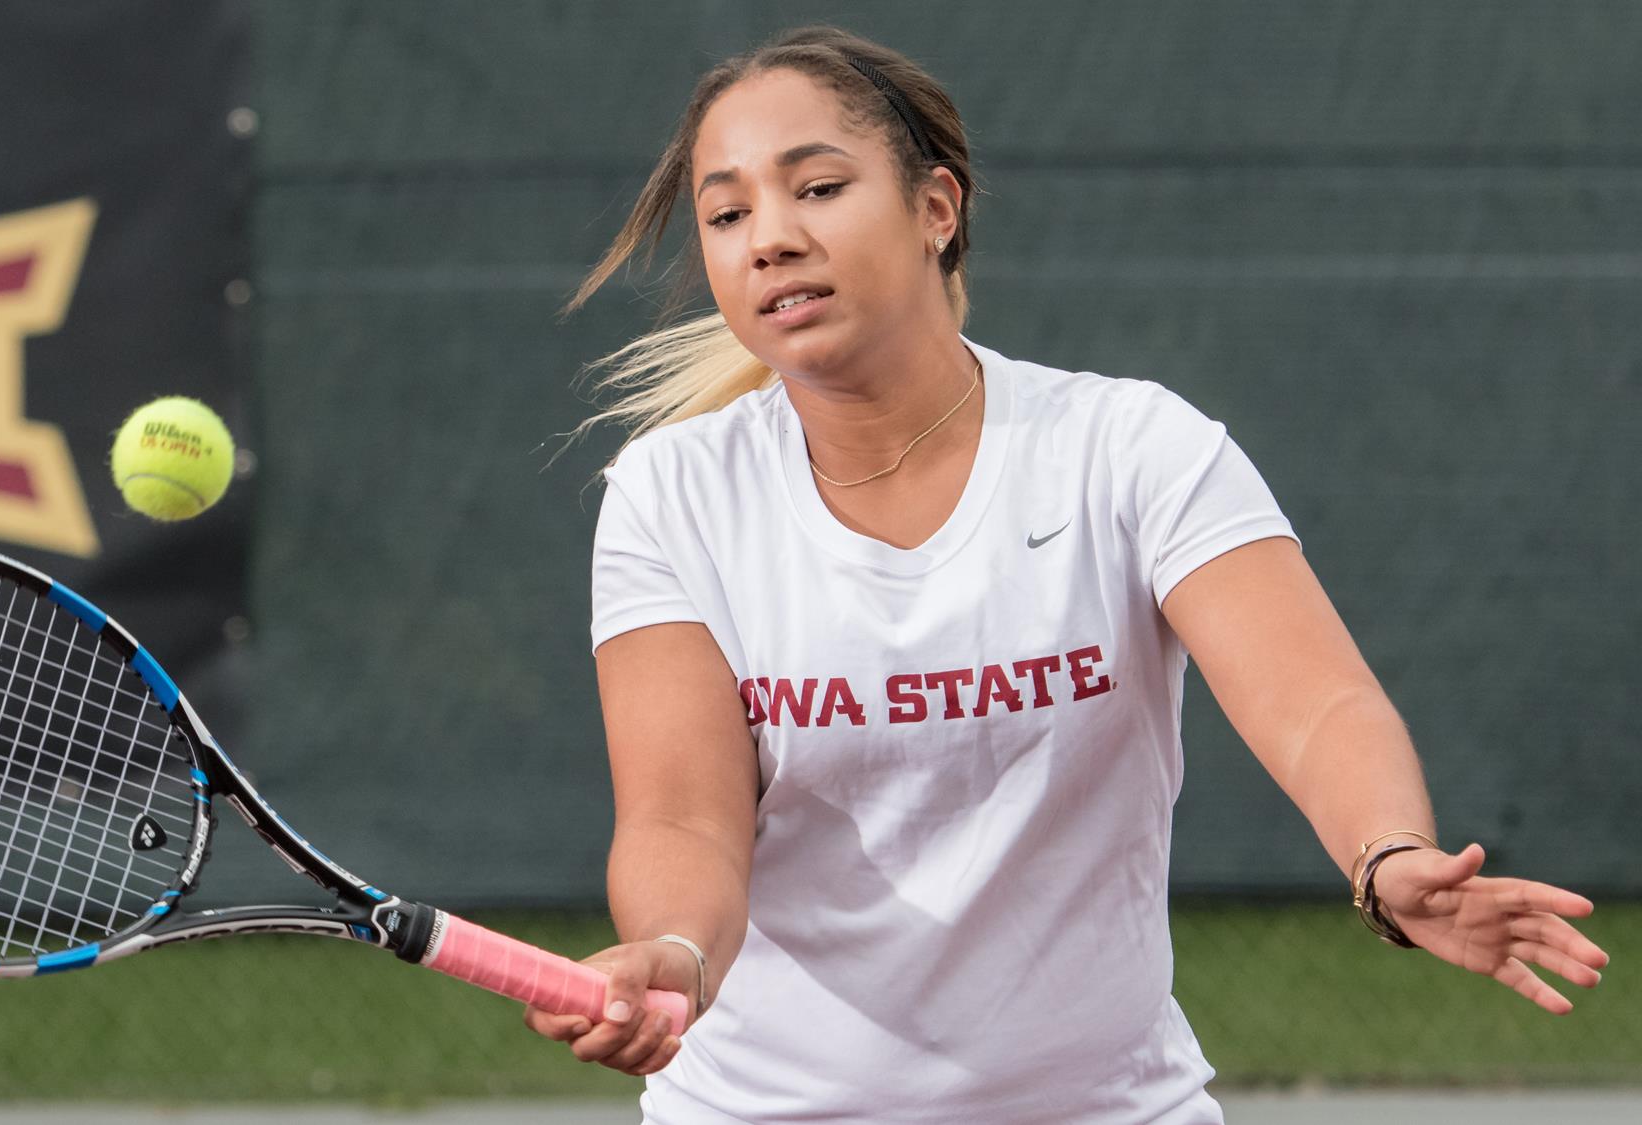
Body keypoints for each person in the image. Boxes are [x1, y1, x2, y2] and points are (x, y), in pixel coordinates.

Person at [525, 25, 1610, 1124]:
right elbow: (680, 819)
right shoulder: (671, 493)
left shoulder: (1132, 449)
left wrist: (1385, 857)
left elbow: (1316, 706)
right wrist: (673, 952)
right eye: (727, 214)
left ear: (934, 210)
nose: (769, 238)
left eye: (816, 187)